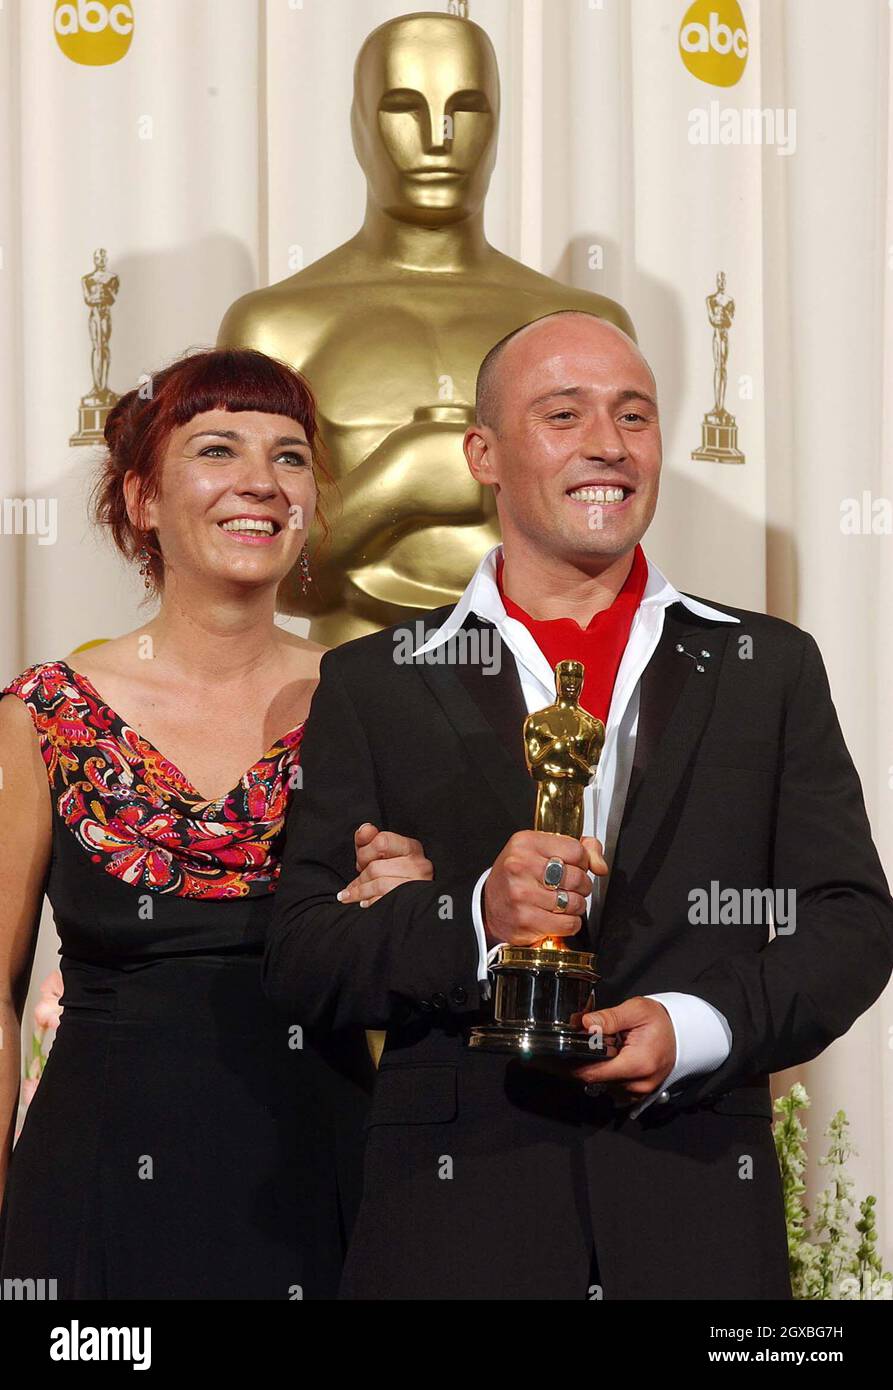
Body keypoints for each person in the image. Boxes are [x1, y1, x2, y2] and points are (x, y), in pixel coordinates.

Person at [263, 311, 893, 1300]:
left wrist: (696, 1026)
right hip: (453, 1231)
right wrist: (474, 916)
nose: (608, 443)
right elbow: (301, 953)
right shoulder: (373, 681)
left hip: (696, 1224)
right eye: (563, 414)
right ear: (483, 453)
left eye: (633, 415)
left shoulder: (764, 666)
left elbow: (850, 922)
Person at [0, 347, 432, 1299]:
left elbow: (439, 975)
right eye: (217, 449)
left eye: (288, 457)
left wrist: (421, 909)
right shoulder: (46, 713)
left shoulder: (382, 701)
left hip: (327, 1184)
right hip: (96, 1191)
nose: (261, 483)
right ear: (142, 498)